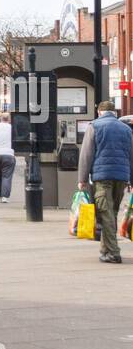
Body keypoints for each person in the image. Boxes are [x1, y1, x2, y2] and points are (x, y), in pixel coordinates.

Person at [78, 99, 133, 264]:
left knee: (105, 213)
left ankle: (114, 252)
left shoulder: (94, 126)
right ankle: (105, 250)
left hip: (102, 177)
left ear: (99, 112)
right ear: (114, 113)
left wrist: (82, 178)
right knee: (111, 212)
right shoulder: (126, 129)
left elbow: (86, 154)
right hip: (122, 176)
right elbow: (131, 155)